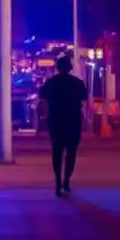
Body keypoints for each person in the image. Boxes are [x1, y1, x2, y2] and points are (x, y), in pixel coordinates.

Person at [38, 55, 88, 197]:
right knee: (71, 153)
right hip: (73, 121)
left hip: (56, 121)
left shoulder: (51, 83)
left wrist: (44, 118)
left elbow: (43, 100)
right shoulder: (77, 83)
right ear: (70, 68)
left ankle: (58, 183)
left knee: (57, 152)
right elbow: (84, 102)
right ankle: (66, 181)